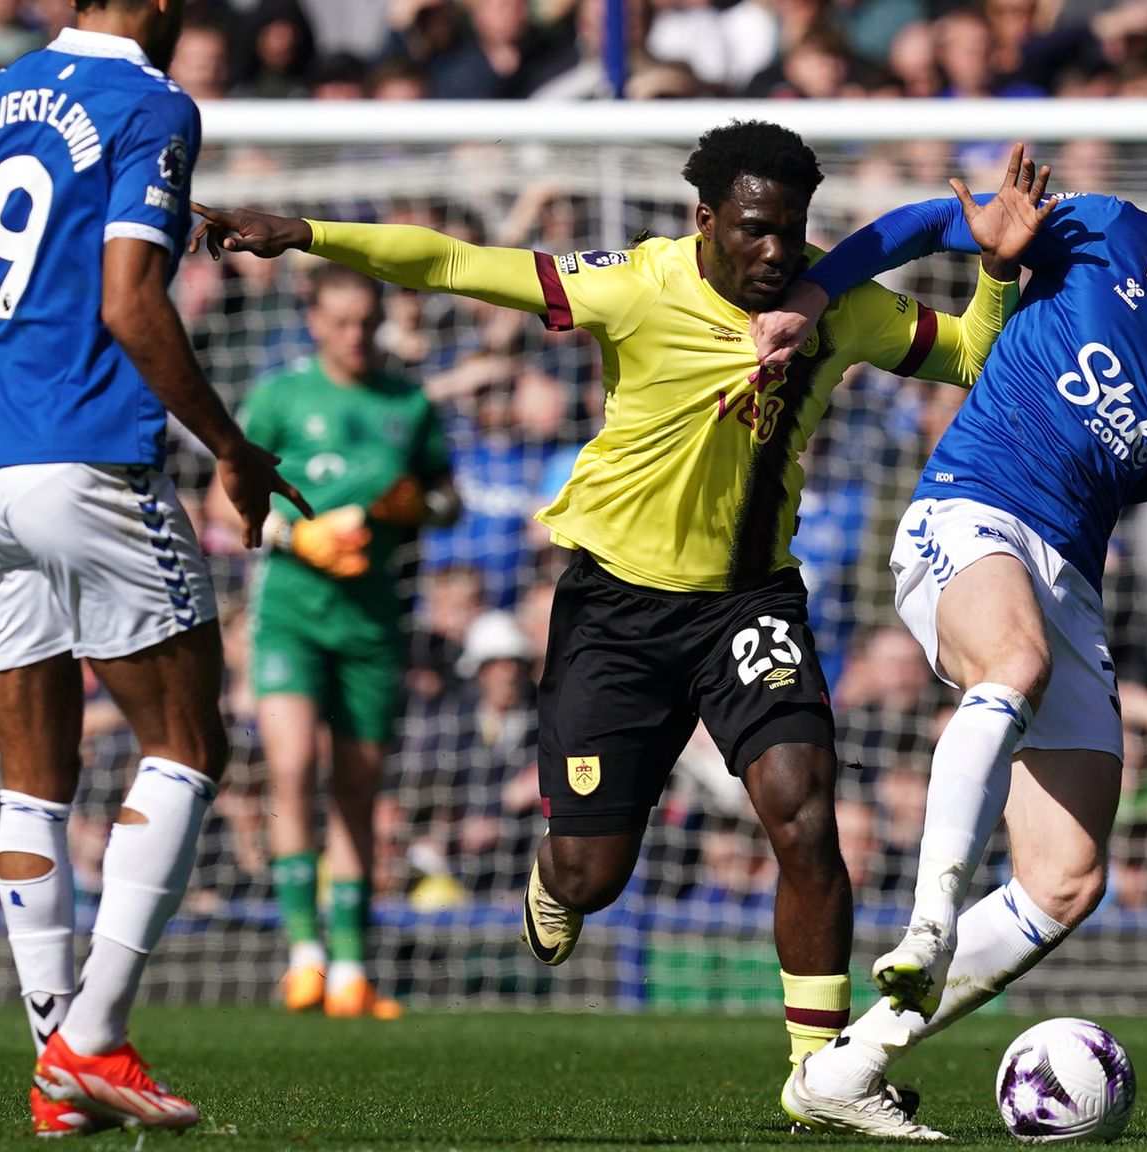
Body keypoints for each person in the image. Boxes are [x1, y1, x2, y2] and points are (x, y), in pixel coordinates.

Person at [191, 122, 1040, 1111]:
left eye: (791, 231)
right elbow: (456, 262)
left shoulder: (834, 301)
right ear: (704, 221)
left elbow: (975, 355)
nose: (775, 253)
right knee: (594, 875)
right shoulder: (633, 285)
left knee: (805, 814)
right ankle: (554, 874)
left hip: (747, 600)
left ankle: (819, 1074)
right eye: (754, 231)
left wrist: (994, 270)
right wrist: (305, 230)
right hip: (614, 610)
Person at [753, 150, 1147, 1137]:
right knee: (1012, 666)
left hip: (1066, 581)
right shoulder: (1098, 231)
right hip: (966, 515)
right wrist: (809, 295)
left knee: (1067, 879)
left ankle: (847, 1067)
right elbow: (926, 223)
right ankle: (928, 918)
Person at [0, 0, 307, 1135]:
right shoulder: (152, 103)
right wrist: (228, 447)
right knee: (187, 744)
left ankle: (54, 1073)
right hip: (81, 454)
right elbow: (132, 303)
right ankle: (95, 1038)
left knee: (32, 777)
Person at [243, 261, 460, 1019]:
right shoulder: (279, 396)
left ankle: (350, 968)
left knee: (358, 791)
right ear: (314, 321)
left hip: (374, 624)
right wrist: (295, 537)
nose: (355, 337)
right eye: (341, 323)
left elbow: (446, 499)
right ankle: (302, 953)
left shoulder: (409, 403)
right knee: (295, 766)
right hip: (292, 613)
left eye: (366, 324)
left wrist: (418, 506)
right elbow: (225, 499)